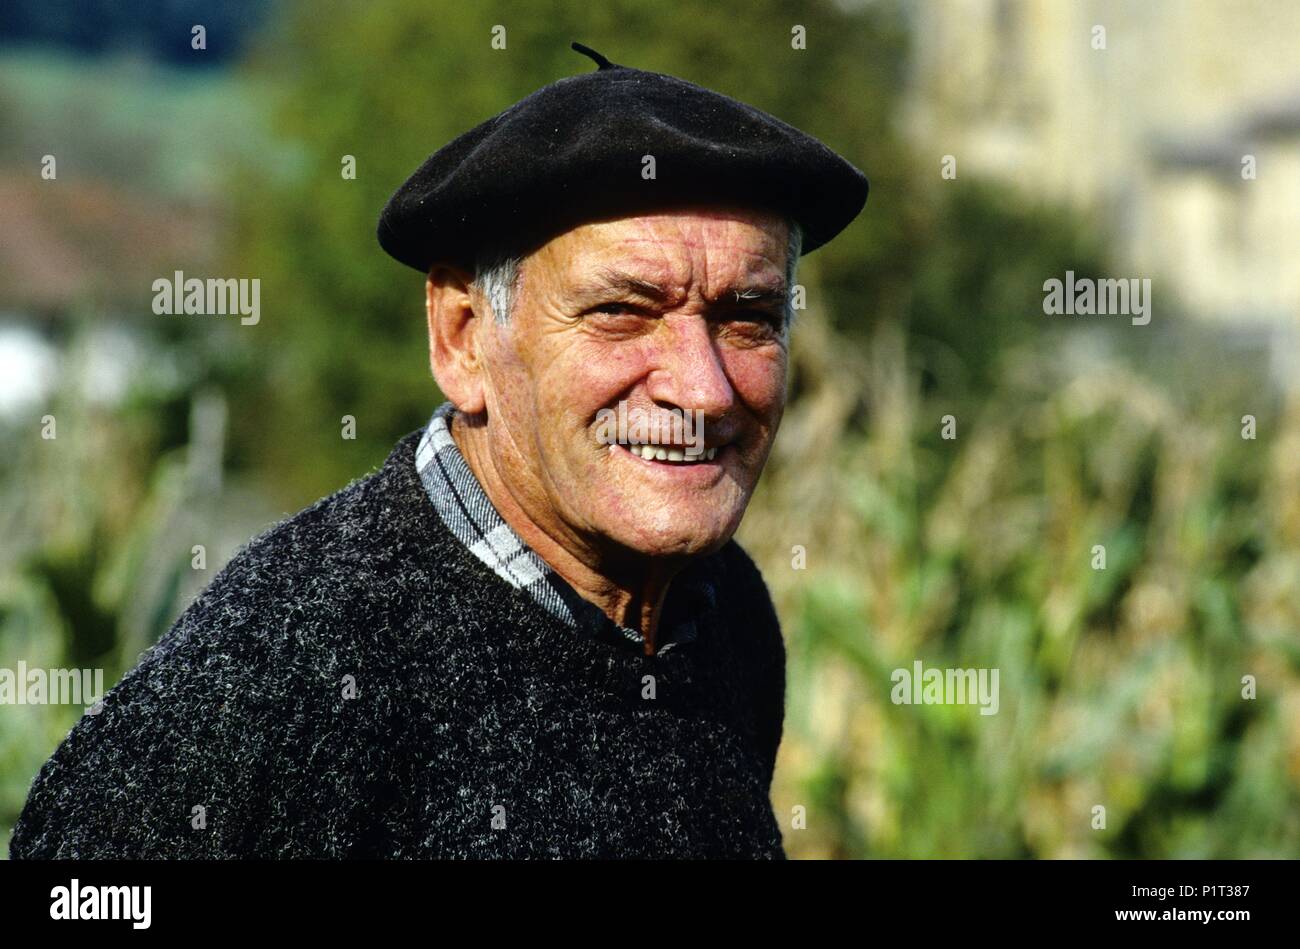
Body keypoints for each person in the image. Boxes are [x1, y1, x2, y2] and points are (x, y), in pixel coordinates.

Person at [9, 42, 867, 859]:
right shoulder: (279, 681)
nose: (704, 389)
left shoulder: (722, 615)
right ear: (463, 339)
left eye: (748, 318)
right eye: (621, 312)